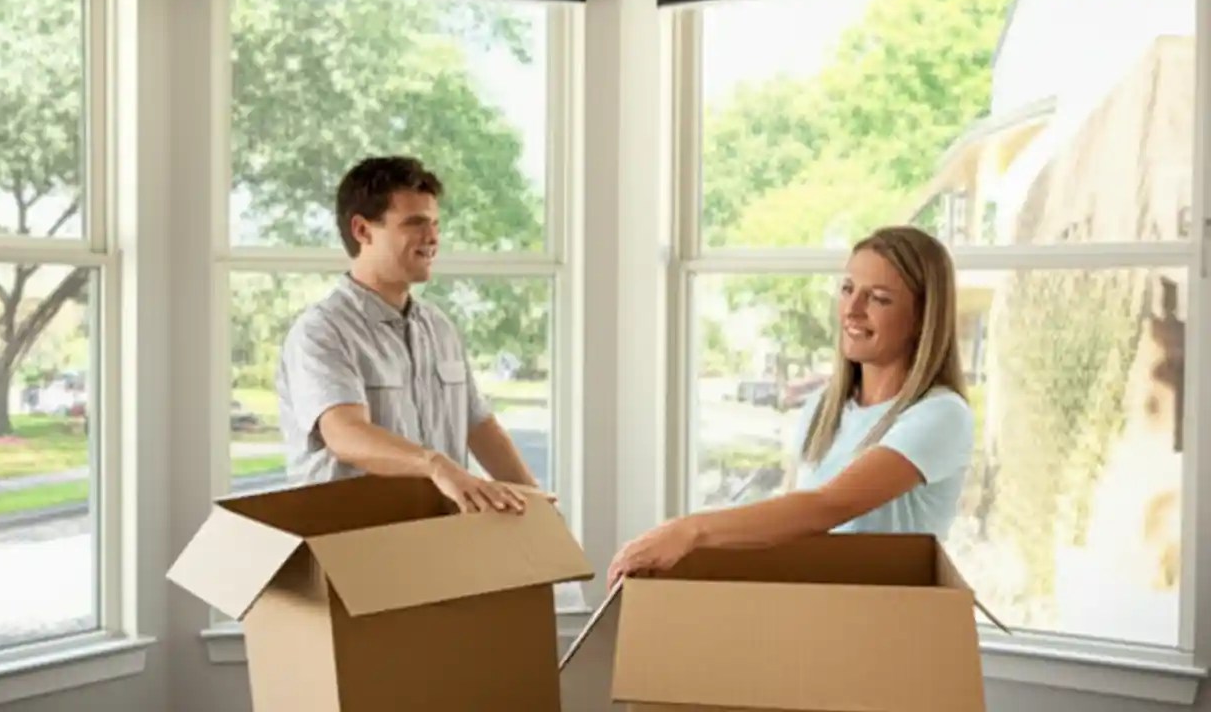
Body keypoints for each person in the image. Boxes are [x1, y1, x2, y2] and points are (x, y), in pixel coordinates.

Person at [608, 225, 975, 587]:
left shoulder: (940, 415)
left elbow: (825, 507)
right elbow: (789, 520)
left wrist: (688, 531)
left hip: (888, 624)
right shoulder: (821, 409)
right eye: (848, 290)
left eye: (878, 298)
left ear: (922, 318)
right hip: (814, 616)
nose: (853, 309)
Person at [276, 155, 541, 514]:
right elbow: (345, 434)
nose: (432, 237)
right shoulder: (322, 332)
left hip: (436, 539)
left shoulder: (439, 328)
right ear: (362, 230)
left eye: (435, 223)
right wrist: (435, 464)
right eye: (414, 223)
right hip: (352, 543)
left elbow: (479, 427)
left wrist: (539, 506)